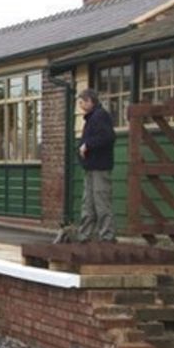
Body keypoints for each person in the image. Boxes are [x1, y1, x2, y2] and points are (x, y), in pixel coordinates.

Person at [77, 88, 117, 242]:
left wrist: (88, 145)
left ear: (89, 101)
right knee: (88, 203)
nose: (80, 106)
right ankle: (85, 235)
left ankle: (107, 236)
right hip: (90, 166)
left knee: (101, 202)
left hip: (100, 166)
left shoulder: (100, 116)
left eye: (81, 102)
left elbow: (108, 137)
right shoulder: (91, 118)